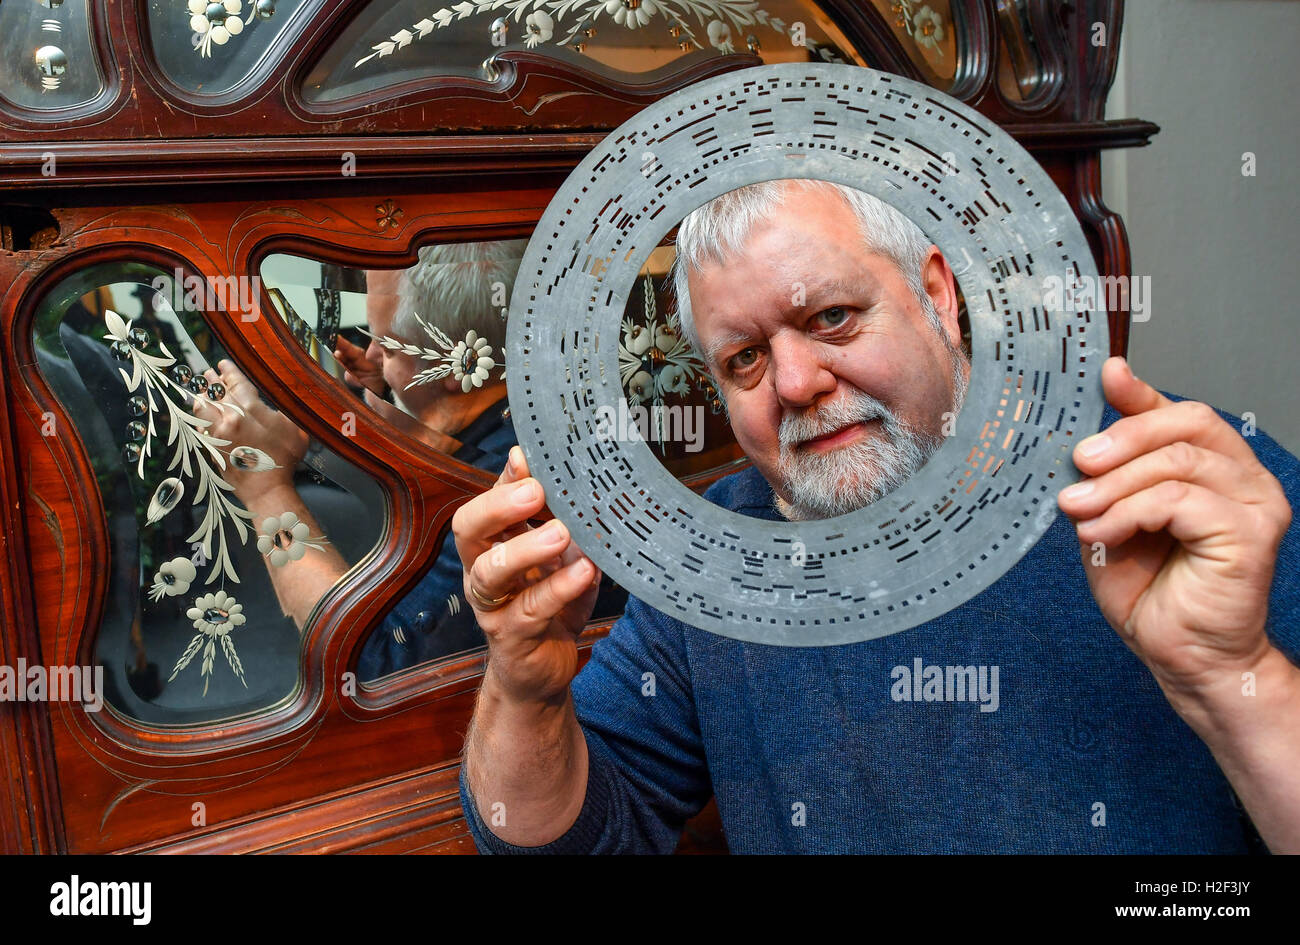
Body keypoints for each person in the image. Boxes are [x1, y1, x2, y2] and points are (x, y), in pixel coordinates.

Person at [453, 178, 1300, 854]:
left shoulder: (1191, 493)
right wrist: (523, 687)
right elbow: (557, 837)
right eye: (745, 358)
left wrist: (1230, 678)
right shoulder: (719, 552)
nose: (794, 383)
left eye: (831, 317)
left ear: (937, 290)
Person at [199, 241, 525, 676]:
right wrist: (397, 385)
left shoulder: (506, 491)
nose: (369, 355)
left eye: (387, 346)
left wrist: (266, 488)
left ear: (455, 365)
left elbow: (373, 663)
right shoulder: (524, 413)